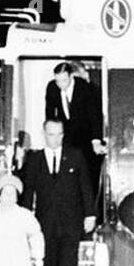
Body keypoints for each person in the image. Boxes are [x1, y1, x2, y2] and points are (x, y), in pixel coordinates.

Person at [19, 118, 95, 266]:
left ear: (63, 134)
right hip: (45, 225)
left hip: (71, 223)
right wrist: (25, 220)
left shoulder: (75, 156)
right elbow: (28, 192)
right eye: (51, 134)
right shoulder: (35, 159)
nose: (55, 138)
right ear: (45, 134)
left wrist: (90, 214)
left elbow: (85, 187)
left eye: (59, 134)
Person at [45, 62, 105, 197]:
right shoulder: (52, 87)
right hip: (67, 138)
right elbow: (49, 114)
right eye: (58, 80)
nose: (61, 84)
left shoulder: (86, 88)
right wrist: (51, 137)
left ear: (71, 76)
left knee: (88, 176)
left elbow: (95, 116)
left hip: (86, 137)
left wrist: (96, 141)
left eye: (64, 80)